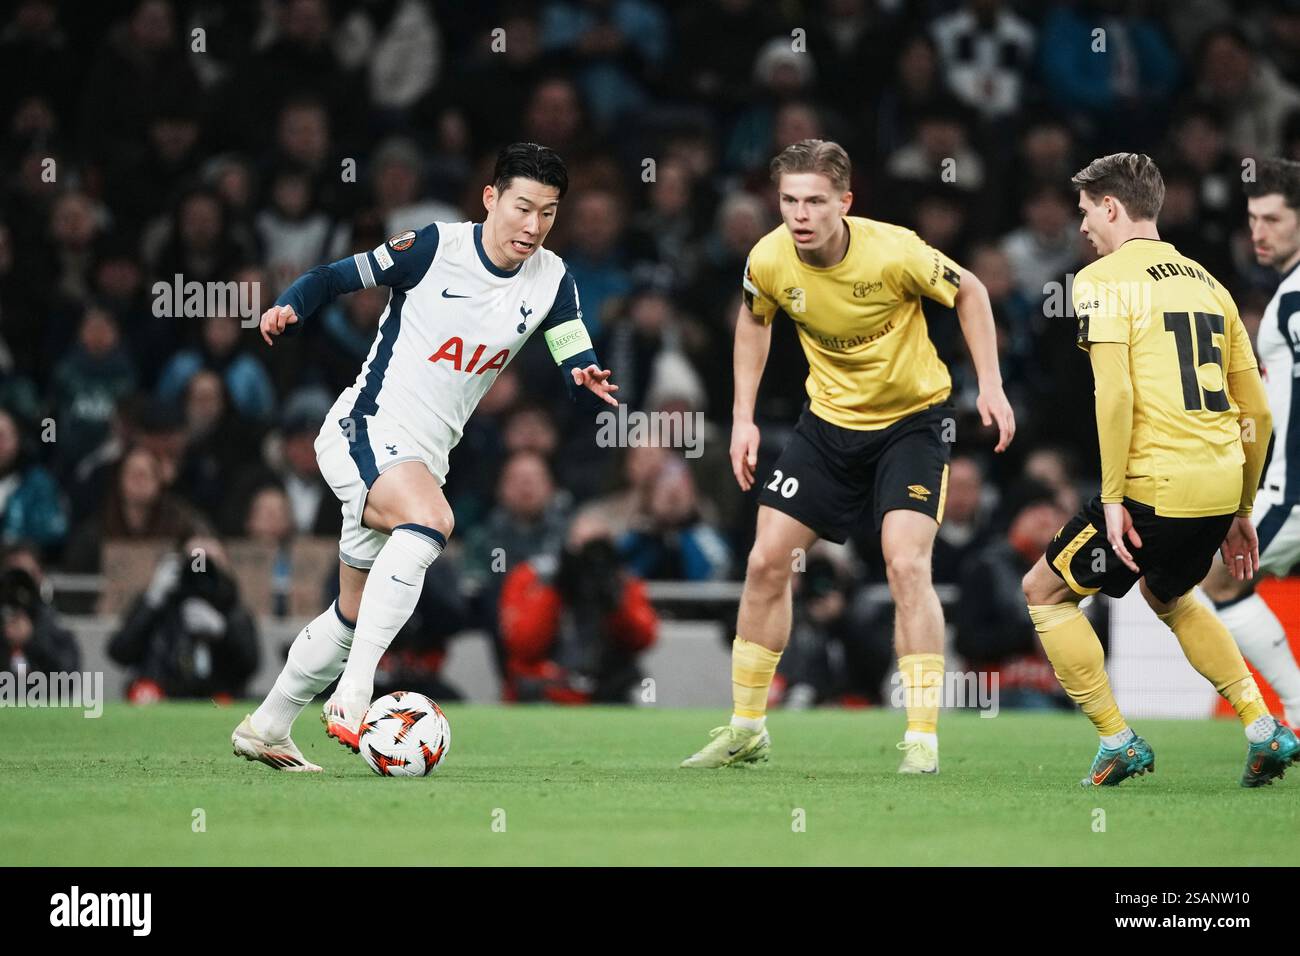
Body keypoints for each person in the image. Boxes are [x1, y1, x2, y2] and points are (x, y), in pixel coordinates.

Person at [232, 143, 618, 771]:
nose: (533, 226)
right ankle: (357, 691)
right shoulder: (437, 247)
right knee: (433, 523)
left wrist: (582, 370)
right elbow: (337, 276)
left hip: (422, 456)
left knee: (351, 614)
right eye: (522, 207)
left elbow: (567, 331)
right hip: (365, 428)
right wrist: (290, 307)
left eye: (548, 213)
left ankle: (268, 725)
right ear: (491, 199)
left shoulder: (553, 278)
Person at [680, 139, 1015, 772]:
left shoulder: (895, 250)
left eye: (813, 201)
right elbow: (754, 322)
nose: (799, 215)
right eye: (788, 201)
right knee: (763, 562)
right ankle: (747, 728)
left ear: (845, 203)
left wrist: (991, 385)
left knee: (905, 564)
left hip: (912, 425)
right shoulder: (770, 257)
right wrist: (743, 419)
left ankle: (921, 737)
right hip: (827, 427)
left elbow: (970, 290)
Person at [1021, 152, 1299, 789]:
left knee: (1044, 593)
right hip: (1219, 482)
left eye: (1087, 211)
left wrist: (1114, 496)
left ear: (1113, 208)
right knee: (1168, 594)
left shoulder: (1100, 280)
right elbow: (1254, 405)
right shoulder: (1210, 282)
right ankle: (1264, 727)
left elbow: (1114, 394)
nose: (1082, 226)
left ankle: (1118, 739)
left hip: (1155, 487)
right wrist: (1242, 508)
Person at [1197, 158, 1300, 727]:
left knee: (1221, 578)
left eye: (1274, 218)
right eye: (1253, 219)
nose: (1259, 231)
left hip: (1293, 490)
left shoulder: (1293, 300)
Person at [109, 535, 260, 703]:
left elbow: (250, 665)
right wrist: (151, 603)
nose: (202, 570)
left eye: (210, 562)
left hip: (217, 699)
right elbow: (119, 652)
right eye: (195, 561)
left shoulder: (234, 609)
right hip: (162, 697)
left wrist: (224, 632)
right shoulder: (159, 604)